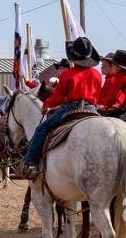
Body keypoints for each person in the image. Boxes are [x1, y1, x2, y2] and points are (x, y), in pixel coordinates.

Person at [19, 37, 103, 178]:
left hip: (71, 109)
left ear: (73, 56)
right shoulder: (97, 74)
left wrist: (46, 105)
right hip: (91, 109)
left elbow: (57, 98)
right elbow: (98, 95)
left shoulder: (68, 74)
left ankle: (30, 162)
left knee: (41, 129)